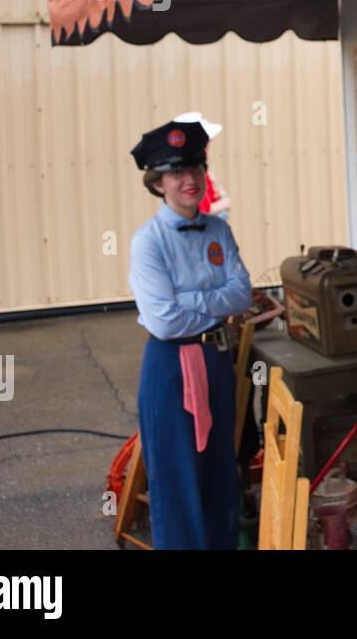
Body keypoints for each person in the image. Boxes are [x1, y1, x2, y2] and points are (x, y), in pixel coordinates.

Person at [128, 120, 252, 549]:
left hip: (217, 361)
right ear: (157, 183)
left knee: (220, 472)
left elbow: (243, 293)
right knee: (177, 480)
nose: (189, 180)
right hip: (170, 368)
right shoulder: (148, 242)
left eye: (196, 168)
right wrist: (213, 301)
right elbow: (163, 321)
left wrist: (190, 302)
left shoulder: (219, 230)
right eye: (176, 172)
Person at [173, 112, 232, 219]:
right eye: (207, 142)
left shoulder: (193, 169)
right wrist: (225, 203)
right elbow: (203, 211)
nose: (208, 146)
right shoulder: (193, 173)